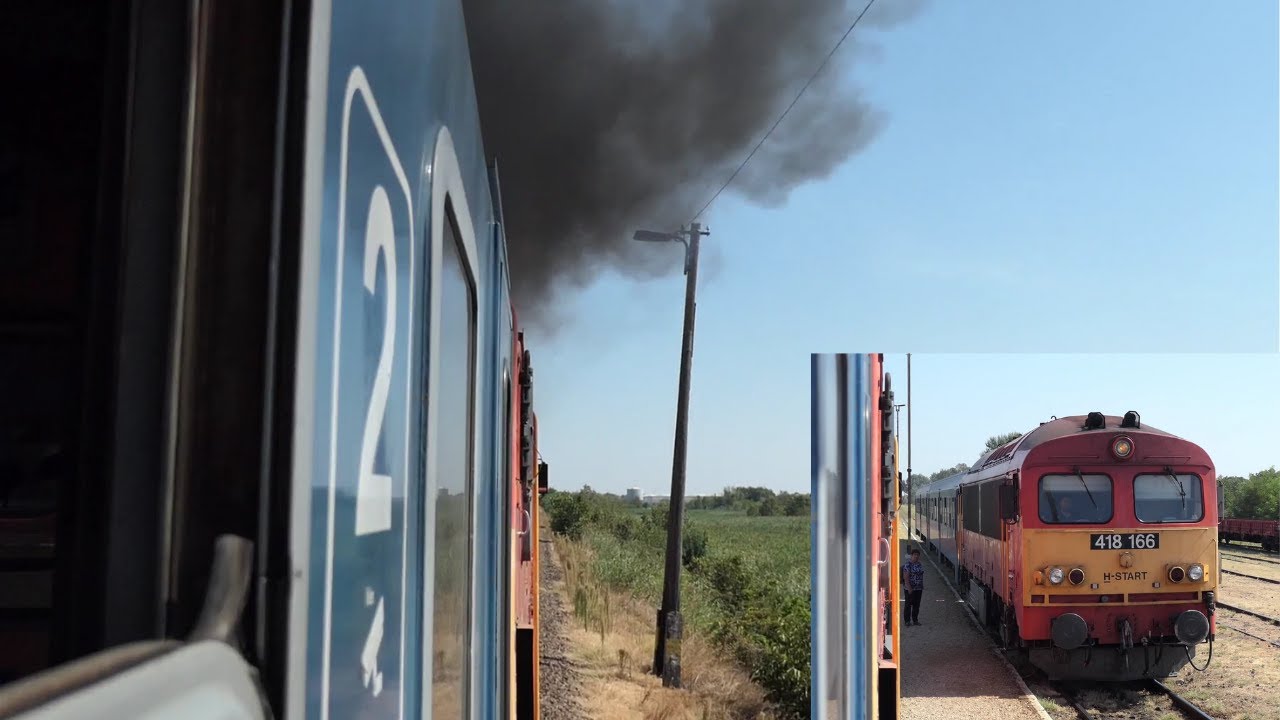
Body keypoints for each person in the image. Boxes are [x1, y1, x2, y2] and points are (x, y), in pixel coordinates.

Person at [901, 548, 925, 626]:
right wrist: (909, 588)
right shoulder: (908, 565)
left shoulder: (919, 564)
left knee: (916, 605)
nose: (916, 556)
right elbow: (906, 577)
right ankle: (907, 621)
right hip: (910, 588)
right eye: (915, 555)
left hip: (918, 588)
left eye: (917, 555)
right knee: (908, 604)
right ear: (911, 556)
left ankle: (915, 620)